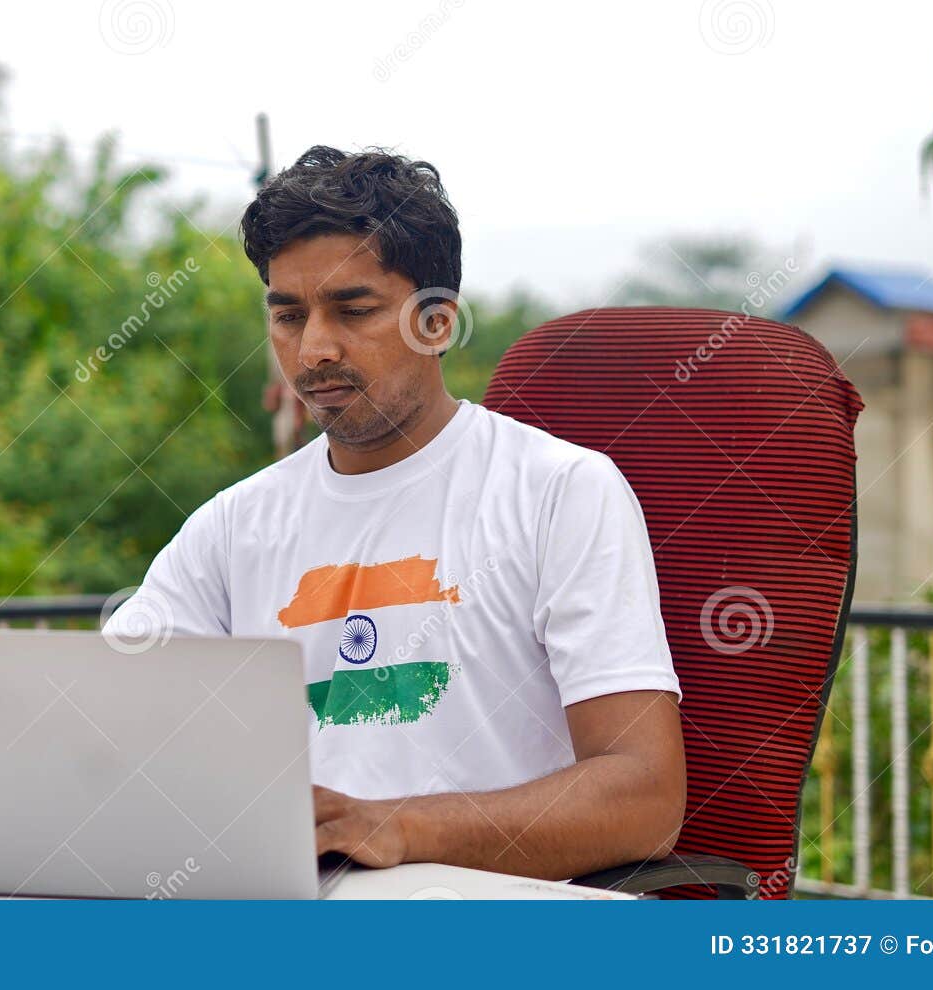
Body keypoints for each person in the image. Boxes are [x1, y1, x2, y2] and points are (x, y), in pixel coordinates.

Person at [105, 145, 684, 881]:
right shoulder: (231, 526)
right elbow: (107, 733)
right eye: (287, 316)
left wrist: (399, 828)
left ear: (437, 323)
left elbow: (645, 799)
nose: (313, 350)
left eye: (354, 310)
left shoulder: (560, 491)